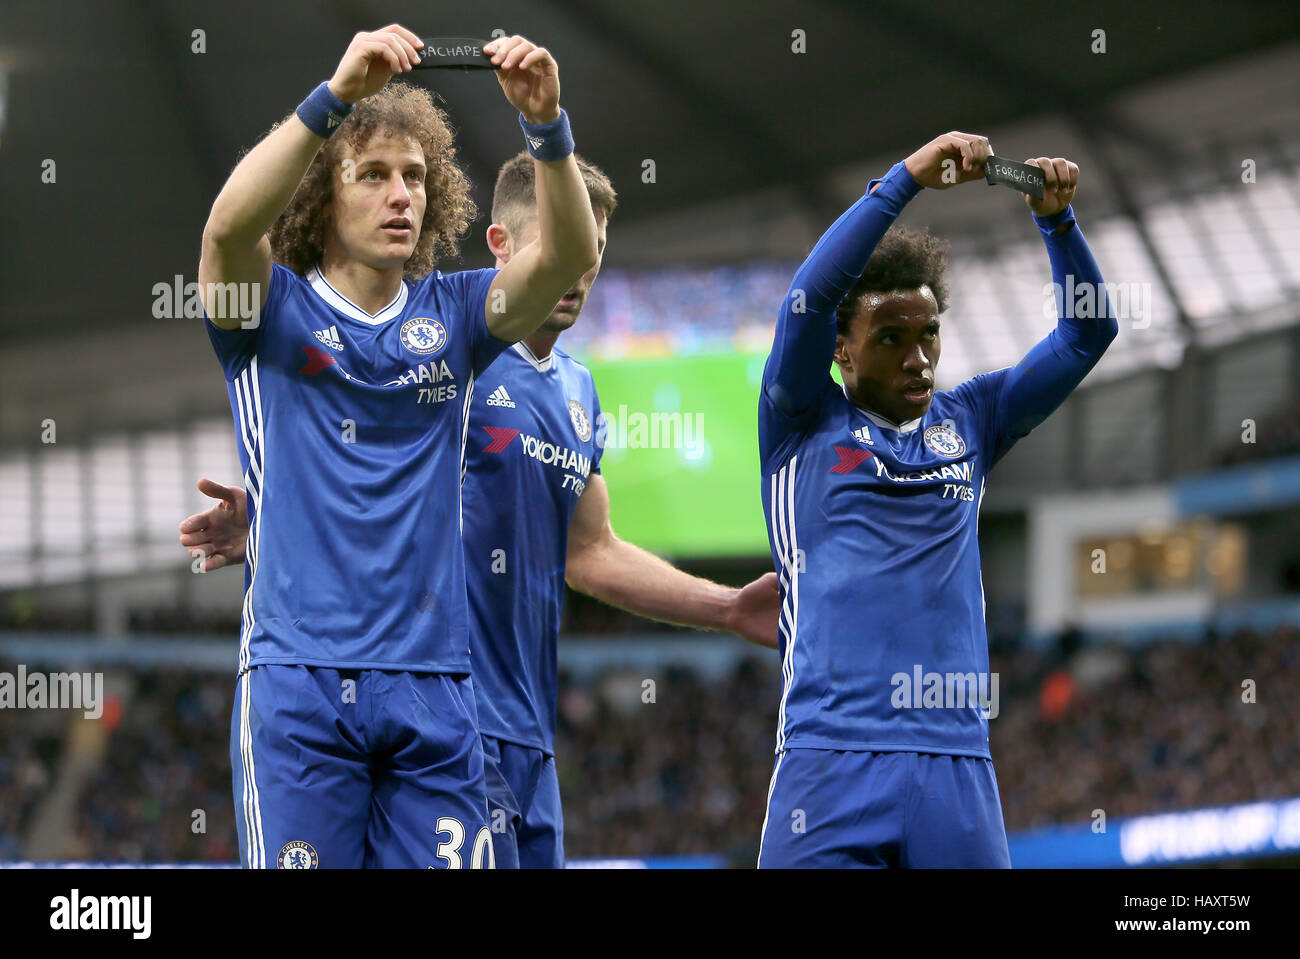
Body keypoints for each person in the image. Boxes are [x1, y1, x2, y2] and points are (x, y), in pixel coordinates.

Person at [184, 151, 781, 867]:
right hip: (442, 712)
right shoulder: (451, 354)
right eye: (565, 243)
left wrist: (723, 607)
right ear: (503, 247)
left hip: (528, 733)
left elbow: (590, 551)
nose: (581, 269)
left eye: (595, 249)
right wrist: (276, 505)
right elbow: (355, 448)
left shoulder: (576, 393)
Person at [198, 23, 598, 868]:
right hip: (298, 682)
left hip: (436, 690)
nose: (401, 196)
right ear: (321, 193)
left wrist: (547, 127)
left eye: (415, 177)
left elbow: (567, 254)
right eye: (373, 175)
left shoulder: (454, 315)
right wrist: (333, 96)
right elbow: (229, 228)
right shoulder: (267, 312)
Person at [756, 132, 1116, 867]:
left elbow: (1087, 334)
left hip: (955, 762)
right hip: (829, 758)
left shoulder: (973, 420)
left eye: (929, 335)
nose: (918, 357)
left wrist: (1058, 222)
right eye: (890, 337)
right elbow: (807, 298)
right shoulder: (799, 419)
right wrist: (906, 179)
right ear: (841, 349)